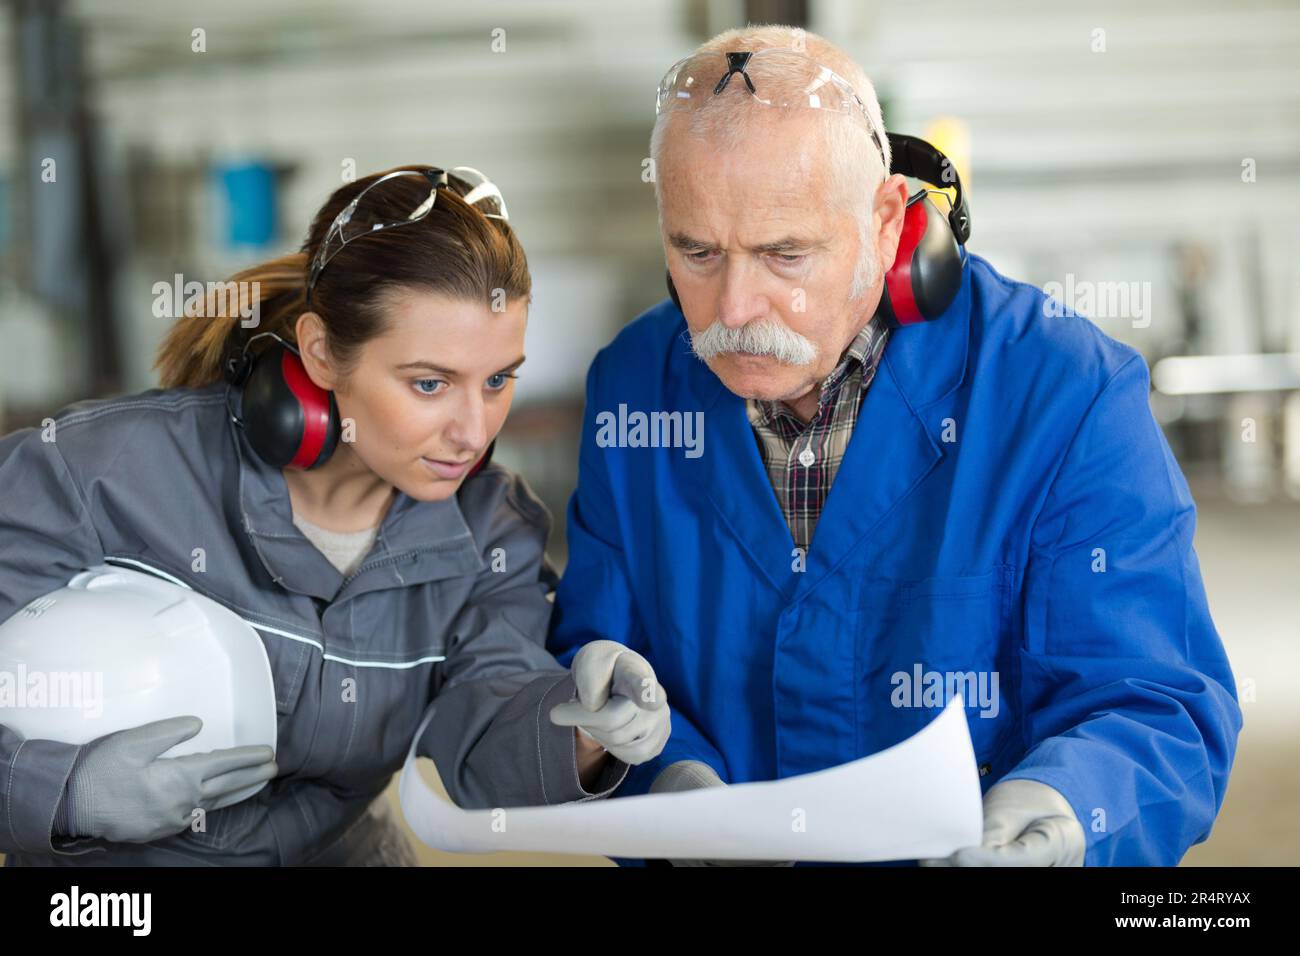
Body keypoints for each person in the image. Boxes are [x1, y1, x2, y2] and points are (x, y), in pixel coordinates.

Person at [548, 27, 1242, 866]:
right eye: (695, 250)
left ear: (887, 224)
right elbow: (592, 654)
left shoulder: (1066, 393)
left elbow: (1157, 701)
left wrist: (1064, 803)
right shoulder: (633, 385)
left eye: (784, 253)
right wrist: (666, 778)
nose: (733, 305)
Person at [0, 164, 670, 866]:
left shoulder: (488, 528)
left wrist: (583, 730)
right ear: (322, 351)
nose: (474, 432)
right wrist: (65, 793)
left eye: (498, 379)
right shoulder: (106, 470)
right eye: (430, 383)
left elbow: (487, 729)